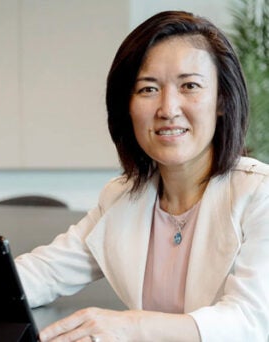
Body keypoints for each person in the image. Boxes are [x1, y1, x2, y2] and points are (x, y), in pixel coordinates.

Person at [15, 10, 269, 341]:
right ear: (128, 105)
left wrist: (129, 325)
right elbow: (42, 274)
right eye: (148, 89)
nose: (168, 108)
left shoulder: (259, 194)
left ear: (221, 99)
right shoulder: (122, 197)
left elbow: (251, 321)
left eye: (189, 85)